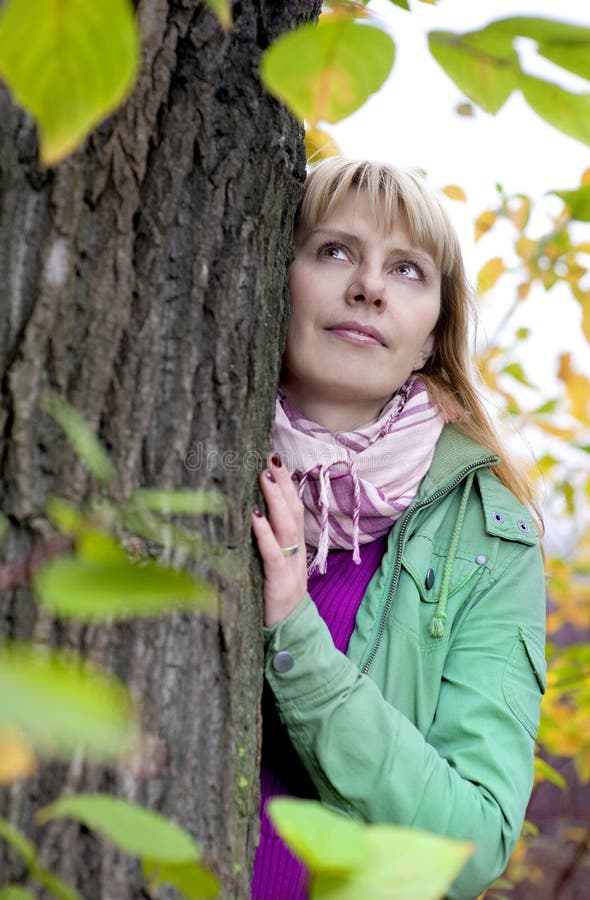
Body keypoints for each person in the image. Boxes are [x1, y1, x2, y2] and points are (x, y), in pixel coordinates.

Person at [250, 158, 546, 900]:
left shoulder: (488, 537)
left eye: (408, 270)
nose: (369, 287)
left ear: (428, 338)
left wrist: (294, 633)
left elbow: (471, 843)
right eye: (335, 250)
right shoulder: (181, 447)